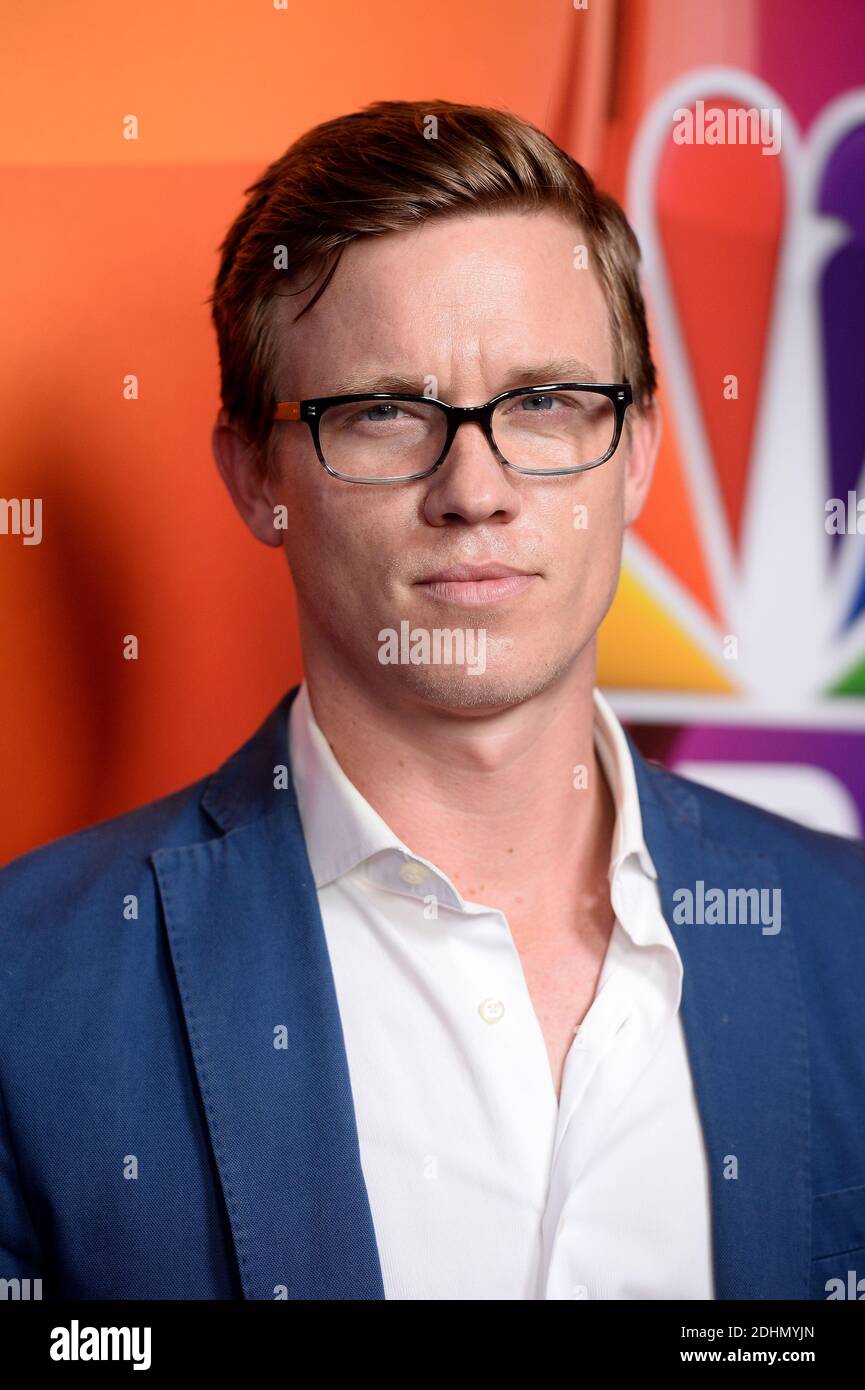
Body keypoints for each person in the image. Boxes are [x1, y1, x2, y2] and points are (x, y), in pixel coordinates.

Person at [1, 99, 863, 1302]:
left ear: (641, 454)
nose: (476, 488)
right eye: (384, 411)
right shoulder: (25, 991)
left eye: (548, 403)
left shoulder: (844, 935)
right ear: (257, 476)